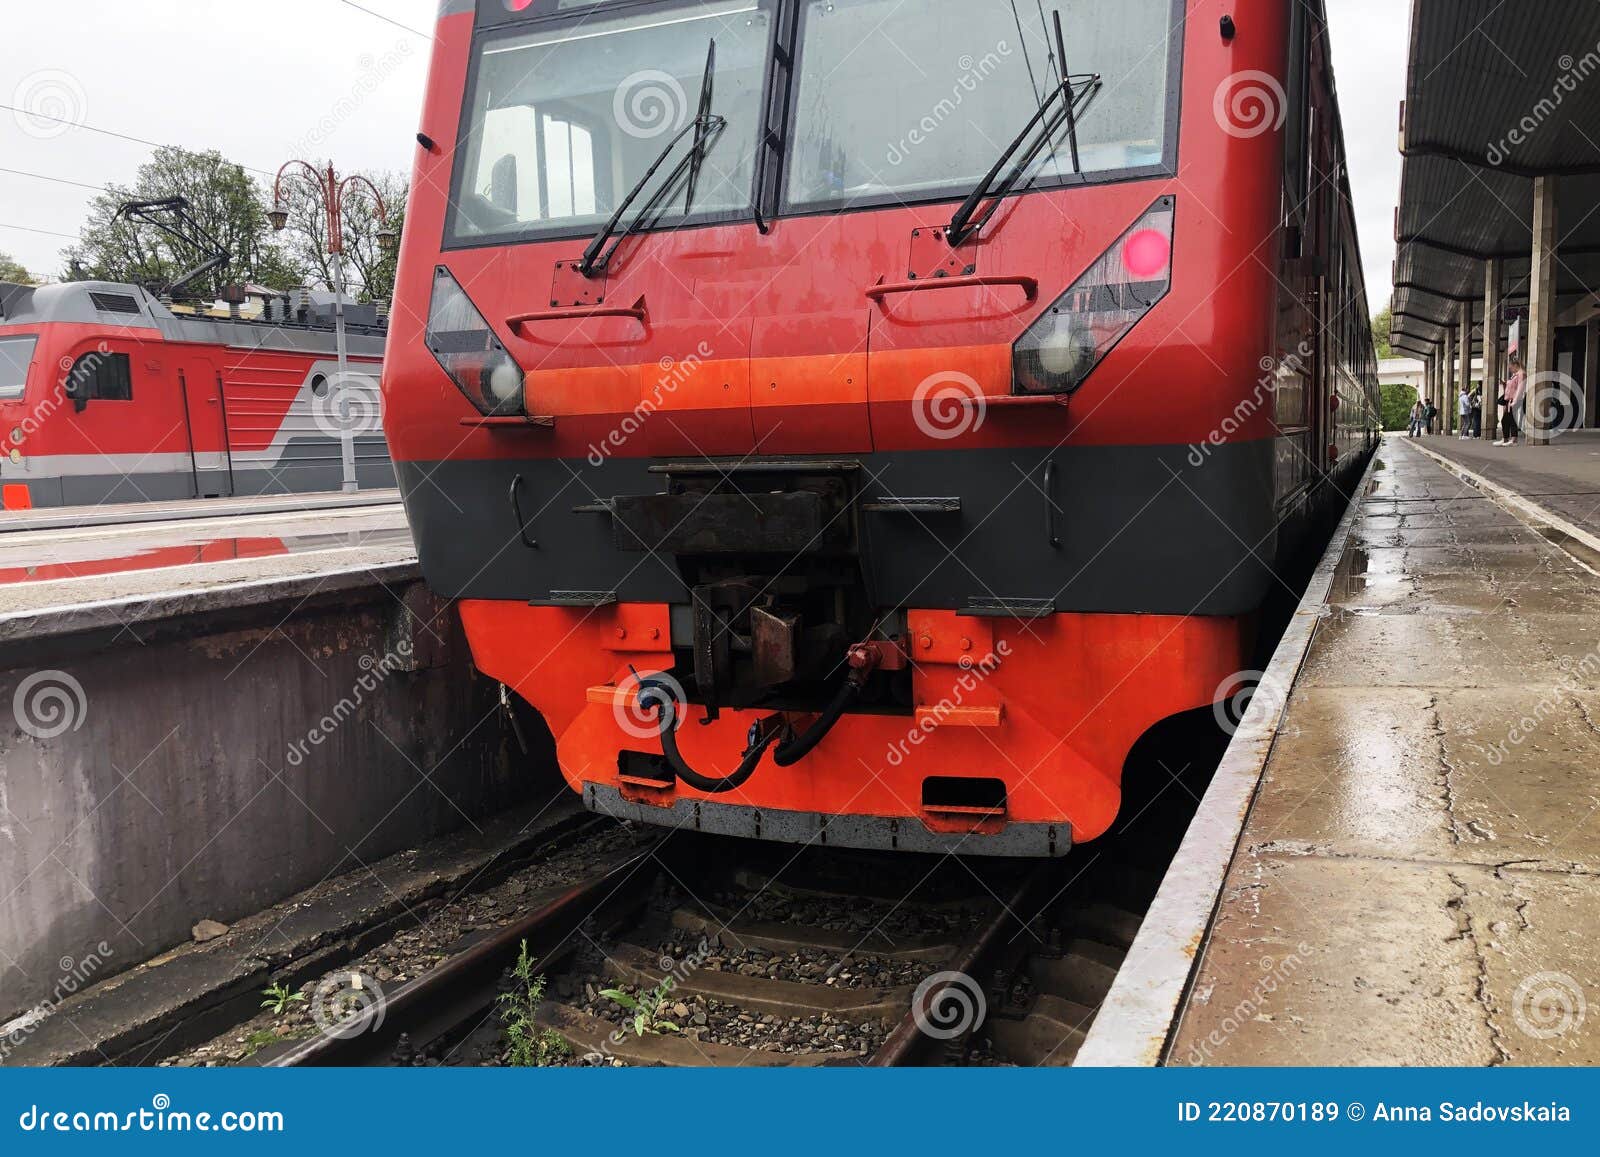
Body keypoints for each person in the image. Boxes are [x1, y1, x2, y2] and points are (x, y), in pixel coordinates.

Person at [1498, 362, 1525, 445]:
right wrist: (1504, 384)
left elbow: (1520, 387)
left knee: (1511, 419)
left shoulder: (1521, 374)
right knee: (1506, 420)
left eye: (1510, 368)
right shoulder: (1515, 375)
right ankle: (1506, 438)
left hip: (1514, 400)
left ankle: (1513, 440)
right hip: (1509, 400)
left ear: (1515, 366)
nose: (1510, 370)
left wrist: (1515, 400)